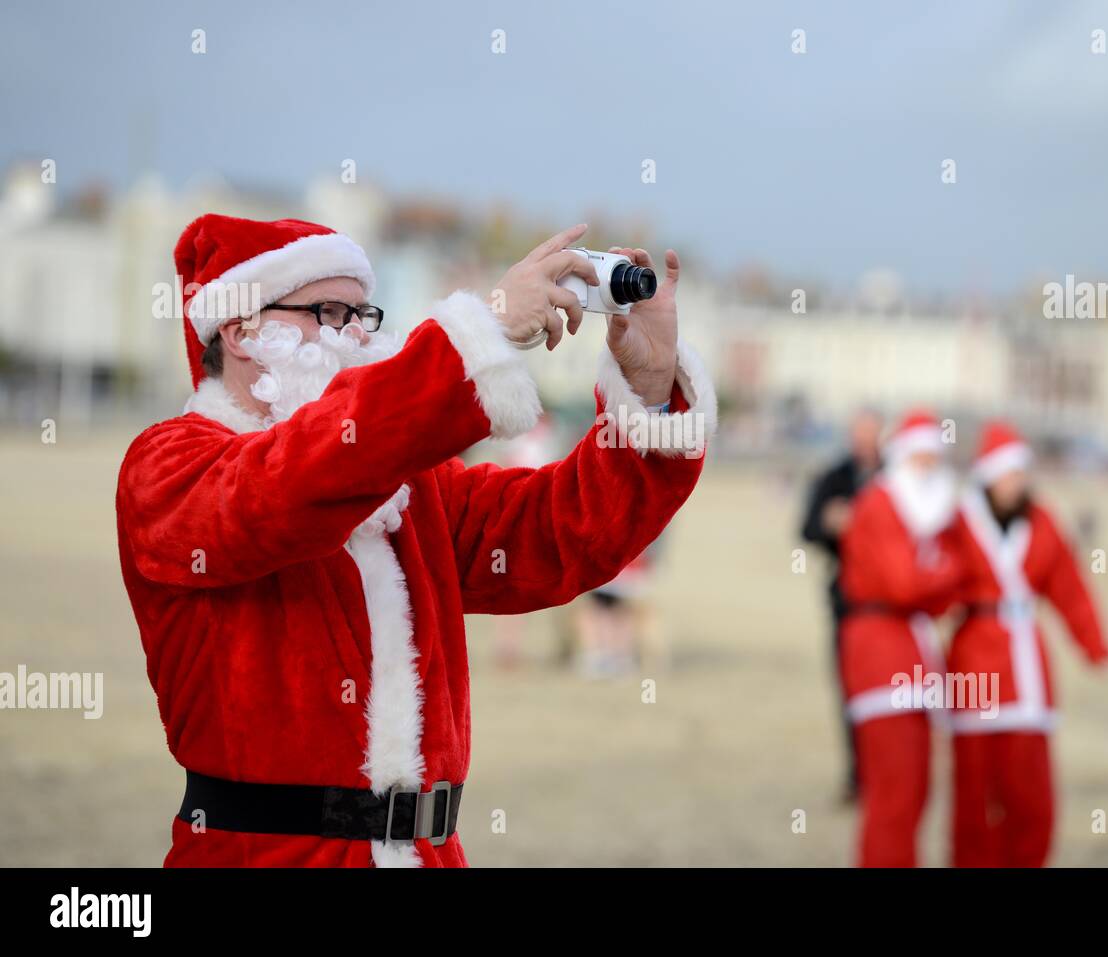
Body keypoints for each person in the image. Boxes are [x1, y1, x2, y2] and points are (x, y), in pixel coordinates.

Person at [115, 215, 717, 867]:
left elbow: (562, 533)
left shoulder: (410, 485)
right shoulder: (170, 465)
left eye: (360, 313)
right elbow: (288, 484)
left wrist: (649, 393)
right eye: (326, 310)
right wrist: (480, 333)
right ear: (236, 329)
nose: (353, 334)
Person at [948, 421, 1108, 867]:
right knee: (975, 792)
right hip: (973, 662)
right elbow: (934, 579)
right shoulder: (958, 519)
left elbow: (1068, 585)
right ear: (987, 476)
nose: (1017, 484)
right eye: (1008, 475)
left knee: (1030, 792)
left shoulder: (1042, 522)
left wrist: (1093, 641)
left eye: (1022, 475)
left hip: (1025, 667)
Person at [838, 410, 962, 866]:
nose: (929, 466)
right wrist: (953, 571)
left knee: (913, 791)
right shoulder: (882, 503)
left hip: (909, 653)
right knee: (895, 792)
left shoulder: (920, 512)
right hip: (881, 656)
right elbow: (905, 584)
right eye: (921, 456)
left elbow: (927, 594)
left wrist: (939, 578)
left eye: (935, 457)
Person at [800, 408, 883, 799]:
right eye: (859, 433)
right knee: (851, 691)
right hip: (846, 602)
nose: (865, 440)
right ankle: (857, 774)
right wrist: (831, 524)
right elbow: (807, 527)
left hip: (893, 607)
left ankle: (887, 773)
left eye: (872, 433)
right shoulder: (833, 477)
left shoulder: (897, 477)